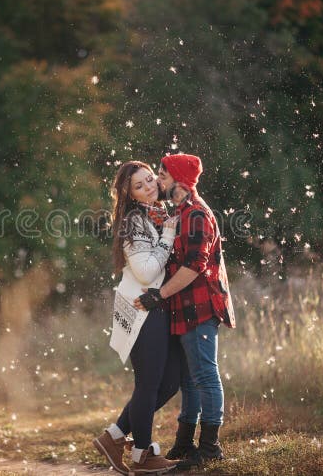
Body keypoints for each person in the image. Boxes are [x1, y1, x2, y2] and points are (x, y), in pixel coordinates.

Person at [136, 153, 236, 467]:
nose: (157, 182)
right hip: (184, 309)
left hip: (201, 308)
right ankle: (183, 443)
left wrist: (159, 295)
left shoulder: (196, 214)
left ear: (178, 180)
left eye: (161, 176)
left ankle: (210, 448)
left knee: (205, 376)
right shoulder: (179, 212)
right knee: (190, 380)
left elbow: (194, 267)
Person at [92, 160, 181, 475]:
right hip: (144, 308)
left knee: (170, 378)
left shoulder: (155, 213)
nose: (148, 187)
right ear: (129, 195)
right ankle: (142, 454)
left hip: (155, 308)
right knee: (148, 383)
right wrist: (168, 237)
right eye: (139, 186)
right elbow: (145, 271)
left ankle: (115, 435)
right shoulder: (134, 220)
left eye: (150, 180)